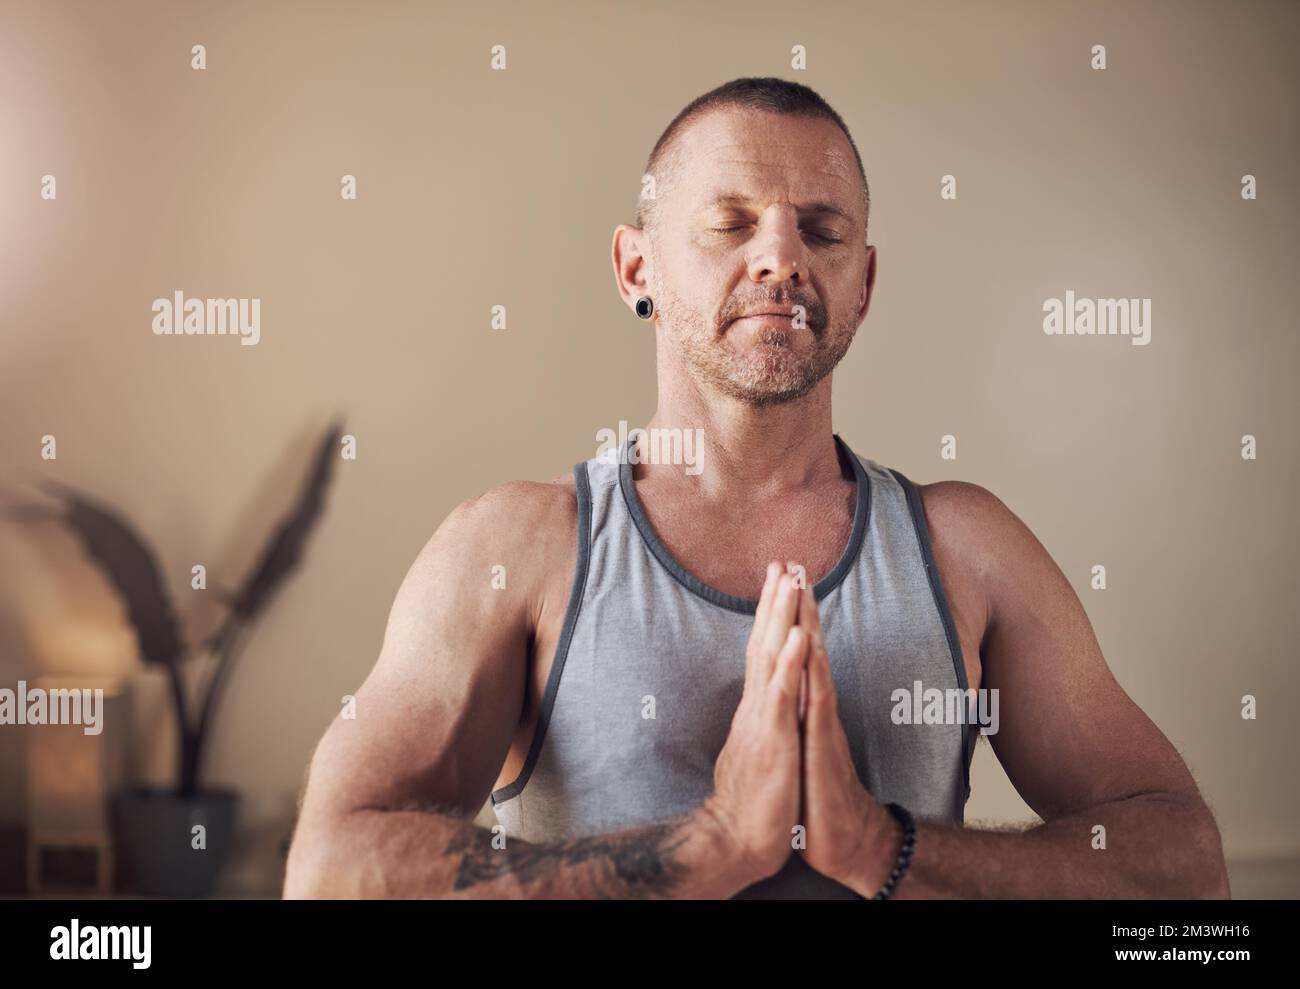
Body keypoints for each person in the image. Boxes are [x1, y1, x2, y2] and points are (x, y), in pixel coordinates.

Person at [283, 77, 1229, 899]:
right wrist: (709, 848)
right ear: (636, 267)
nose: (782, 259)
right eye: (730, 223)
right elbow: (331, 872)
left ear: (862, 284)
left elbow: (1185, 866)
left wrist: (877, 845)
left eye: (822, 230)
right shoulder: (515, 549)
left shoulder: (969, 548)